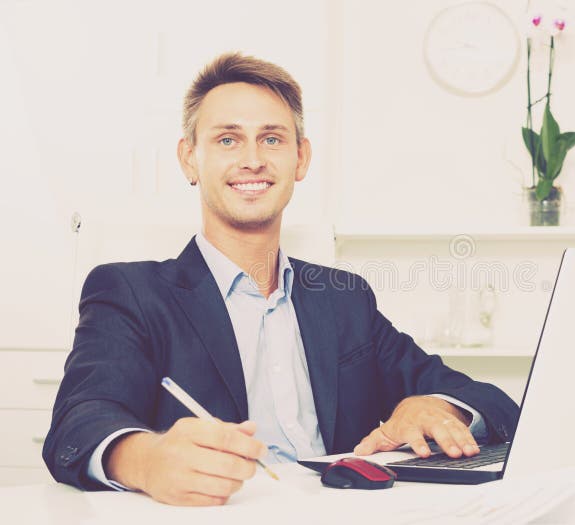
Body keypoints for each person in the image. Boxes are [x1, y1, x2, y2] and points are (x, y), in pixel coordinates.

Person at [43, 52, 519, 506]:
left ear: (301, 158)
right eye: (227, 139)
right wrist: (146, 461)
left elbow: (492, 401)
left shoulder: (344, 299)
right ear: (190, 159)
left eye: (271, 138)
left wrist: (440, 407)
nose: (252, 159)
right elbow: (78, 423)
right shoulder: (130, 293)